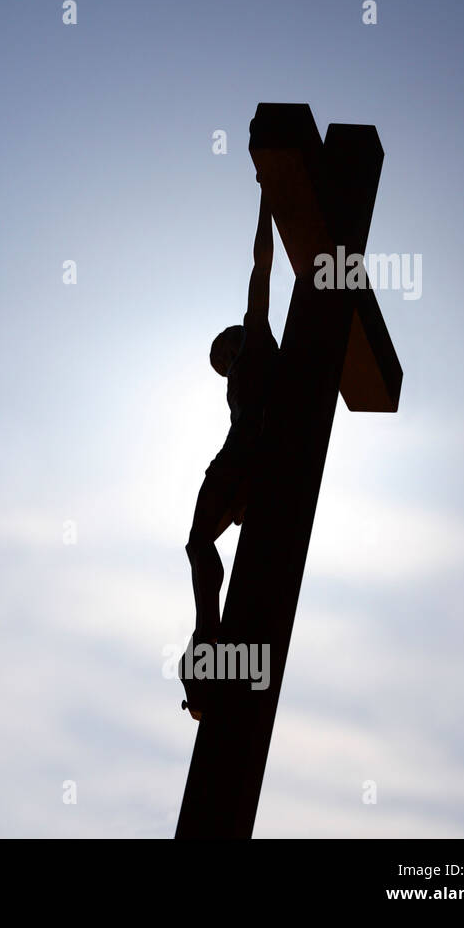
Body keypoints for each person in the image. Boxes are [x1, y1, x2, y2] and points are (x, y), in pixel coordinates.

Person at [180, 183, 279, 720]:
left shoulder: (259, 339)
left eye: (222, 355)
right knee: (198, 545)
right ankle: (209, 637)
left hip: (241, 458)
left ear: (235, 340)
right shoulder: (255, 361)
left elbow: (261, 266)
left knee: (198, 543)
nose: (223, 366)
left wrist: (269, 199)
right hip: (245, 463)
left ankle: (207, 634)